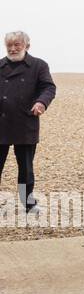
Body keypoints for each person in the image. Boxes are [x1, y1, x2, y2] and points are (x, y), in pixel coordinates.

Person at [1, 31, 56, 212]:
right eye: (9, 45)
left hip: (25, 123)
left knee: (26, 169)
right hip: (1, 124)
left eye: (17, 45)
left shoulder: (38, 66)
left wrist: (41, 102)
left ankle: (28, 203)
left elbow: (48, 87)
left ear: (27, 46)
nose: (12, 48)